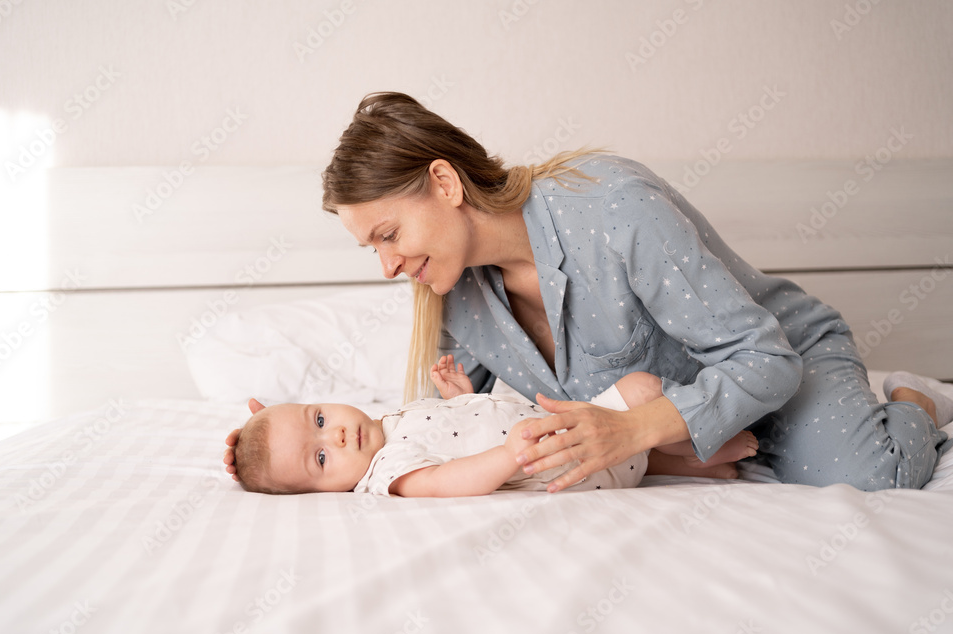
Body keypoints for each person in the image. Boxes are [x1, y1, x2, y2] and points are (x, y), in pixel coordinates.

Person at [316, 91, 951, 493]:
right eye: (372, 247)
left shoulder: (612, 209)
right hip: (686, 438)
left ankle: (915, 399)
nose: (387, 266)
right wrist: (286, 442)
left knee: (875, 476)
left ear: (445, 183)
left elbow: (767, 360)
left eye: (389, 234)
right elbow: (456, 430)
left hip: (779, 364)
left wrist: (631, 432)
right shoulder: (454, 291)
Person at [221, 359, 759, 496]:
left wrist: (461, 396)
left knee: (633, 411)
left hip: (564, 433)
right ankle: (697, 440)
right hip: (558, 459)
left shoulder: (387, 418)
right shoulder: (389, 471)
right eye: (320, 458)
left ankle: (695, 464)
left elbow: (460, 425)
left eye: (318, 419)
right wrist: (507, 456)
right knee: (641, 390)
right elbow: (445, 481)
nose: (335, 435)